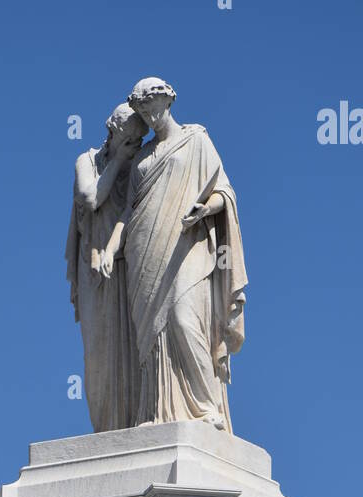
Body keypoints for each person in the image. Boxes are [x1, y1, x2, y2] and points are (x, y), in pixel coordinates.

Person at [100, 76, 247, 431]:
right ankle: (157, 412)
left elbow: (223, 191)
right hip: (143, 252)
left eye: (153, 109)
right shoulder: (141, 160)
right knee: (151, 336)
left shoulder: (196, 141)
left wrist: (206, 210)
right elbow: (128, 212)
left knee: (183, 318)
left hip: (186, 245)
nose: (150, 119)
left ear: (168, 102)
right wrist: (110, 246)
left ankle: (205, 405)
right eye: (143, 113)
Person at [65, 102, 147, 431]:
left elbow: (134, 210)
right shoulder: (87, 160)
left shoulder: (140, 166)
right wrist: (118, 162)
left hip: (128, 264)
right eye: (129, 139)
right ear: (112, 132)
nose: (135, 147)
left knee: (134, 350)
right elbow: (89, 197)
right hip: (93, 269)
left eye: (138, 142)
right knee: (99, 355)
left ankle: (134, 424)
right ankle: (106, 431)